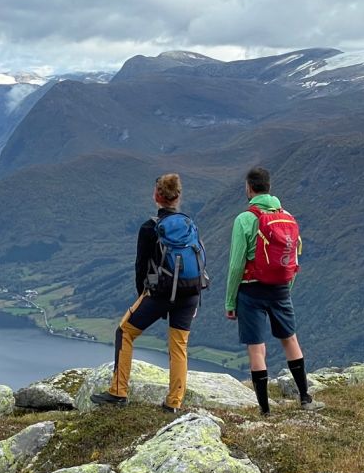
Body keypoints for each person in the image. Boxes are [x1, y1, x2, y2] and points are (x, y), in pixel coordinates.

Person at [92, 173, 207, 413]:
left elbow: (141, 268)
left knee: (124, 332)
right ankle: (173, 403)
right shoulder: (189, 224)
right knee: (179, 347)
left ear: (156, 196)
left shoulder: (150, 228)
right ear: (178, 196)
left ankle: (118, 392)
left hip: (160, 293)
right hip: (190, 292)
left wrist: (142, 297)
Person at [225, 166, 319, 415]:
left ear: (249, 188)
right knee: (290, 339)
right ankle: (305, 397)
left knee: (256, 347)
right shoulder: (286, 216)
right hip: (280, 288)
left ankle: (265, 410)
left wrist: (230, 302)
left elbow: (236, 265)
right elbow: (293, 256)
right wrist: (287, 287)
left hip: (251, 290)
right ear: (269, 187)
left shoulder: (245, 219)